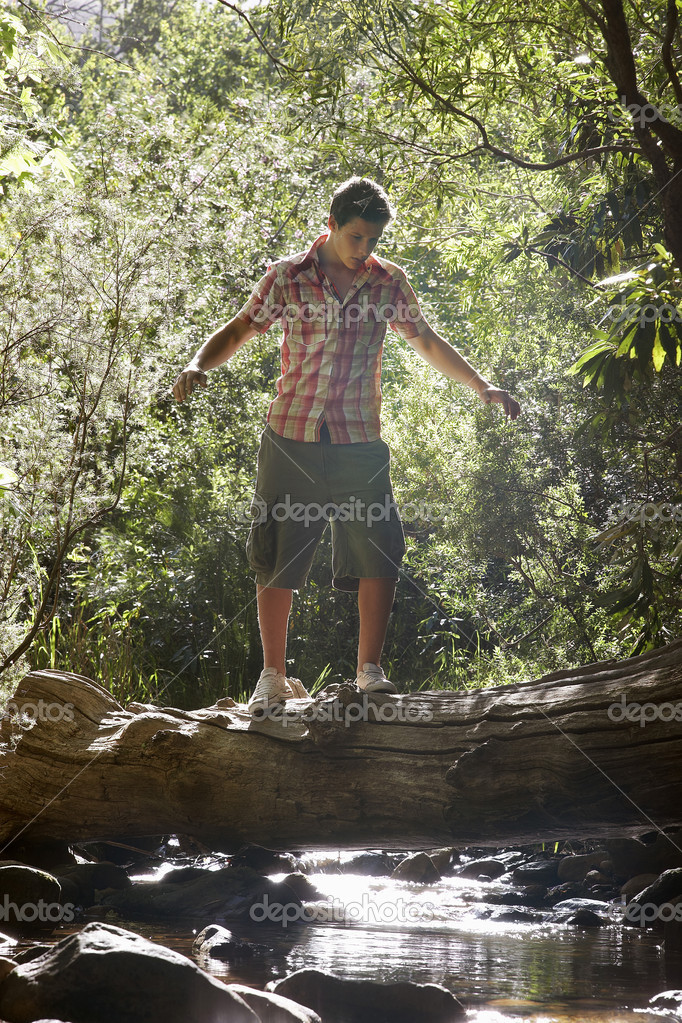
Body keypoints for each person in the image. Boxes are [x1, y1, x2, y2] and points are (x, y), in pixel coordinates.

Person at [173, 177, 520, 713]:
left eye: (374, 240)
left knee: (379, 549)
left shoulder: (388, 283)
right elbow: (241, 328)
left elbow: (425, 339)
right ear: (331, 225)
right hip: (291, 437)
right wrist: (199, 364)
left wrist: (482, 386)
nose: (365, 250)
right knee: (275, 555)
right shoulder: (286, 278)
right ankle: (271, 677)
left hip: (360, 440)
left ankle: (370, 674)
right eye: (356, 237)